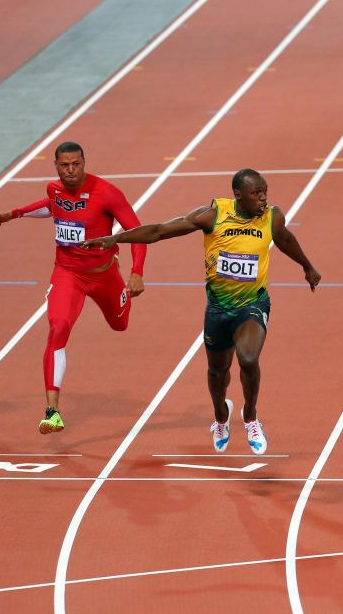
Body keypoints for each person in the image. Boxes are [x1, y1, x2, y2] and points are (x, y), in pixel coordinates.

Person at [81, 169, 320, 455]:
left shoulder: (272, 217)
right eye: (256, 193)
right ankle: (220, 416)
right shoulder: (213, 215)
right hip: (218, 308)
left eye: (265, 191)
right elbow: (159, 231)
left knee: (248, 358)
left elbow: (285, 239)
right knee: (218, 372)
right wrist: (117, 239)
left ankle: (250, 416)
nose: (263, 198)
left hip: (252, 304)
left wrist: (307, 266)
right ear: (238, 195)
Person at [0, 141, 146, 434]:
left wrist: (136, 272)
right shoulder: (55, 189)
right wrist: (14, 214)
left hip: (103, 276)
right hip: (67, 274)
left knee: (120, 325)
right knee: (57, 327)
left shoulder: (107, 193)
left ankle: (122, 297)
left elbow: (138, 232)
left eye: (76, 164)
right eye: (64, 165)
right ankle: (52, 412)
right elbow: (50, 206)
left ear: (84, 162)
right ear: (56, 166)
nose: (71, 170)